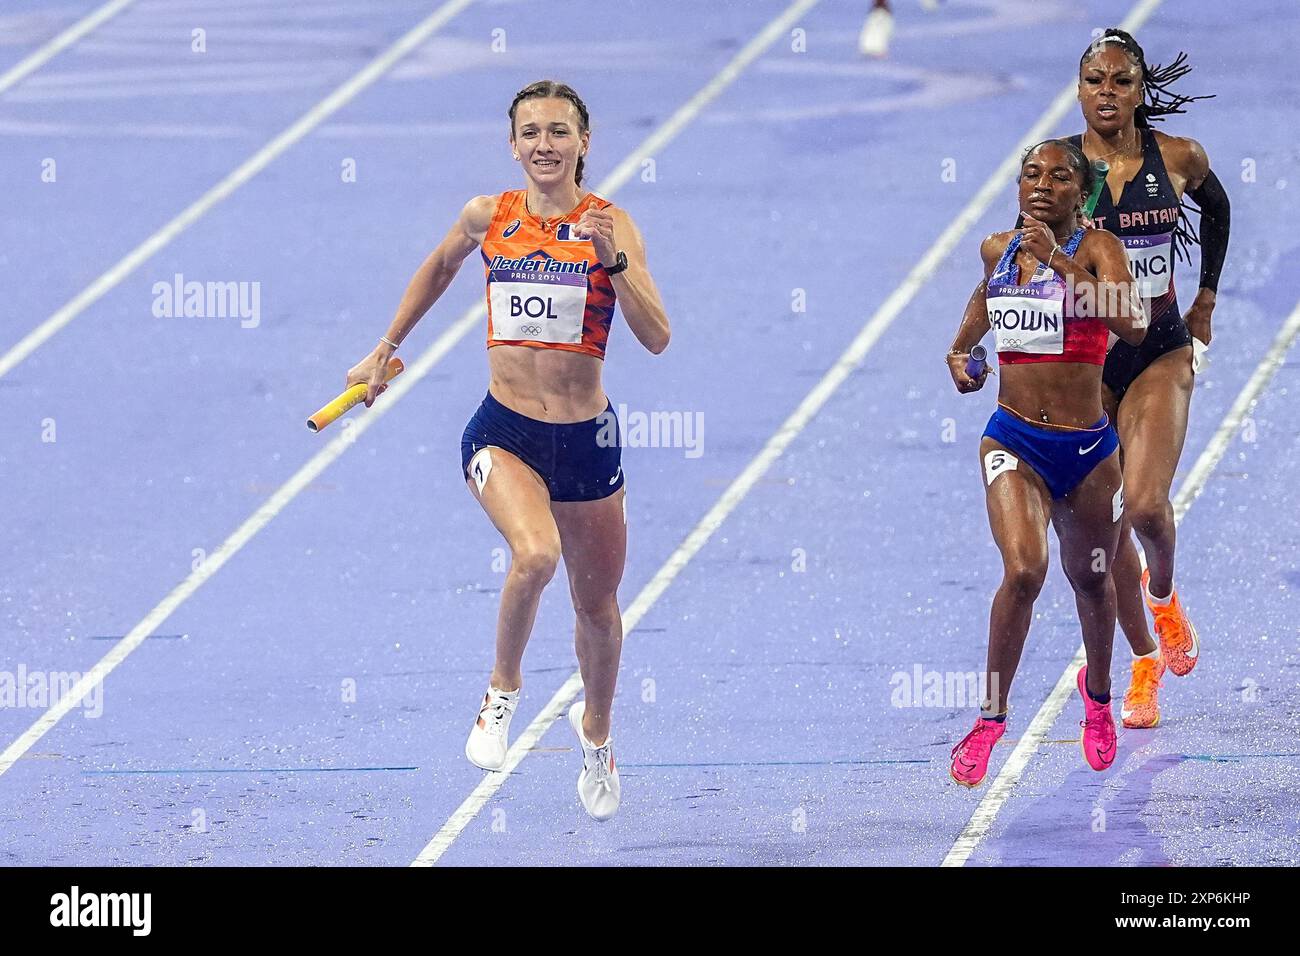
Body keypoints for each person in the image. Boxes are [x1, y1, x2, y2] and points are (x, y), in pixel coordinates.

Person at [344, 80, 671, 820]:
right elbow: (439, 267)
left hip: (587, 441)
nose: (544, 145)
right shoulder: (488, 215)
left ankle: (595, 737)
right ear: (513, 143)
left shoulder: (611, 223)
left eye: (559, 131)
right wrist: (384, 349)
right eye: (530, 132)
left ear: (584, 143)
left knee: (597, 608)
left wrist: (614, 264)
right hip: (505, 431)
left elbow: (656, 336)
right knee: (535, 556)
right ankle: (502, 692)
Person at [946, 140, 1147, 788]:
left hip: (1088, 453)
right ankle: (991, 718)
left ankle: (1096, 701)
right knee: (1025, 569)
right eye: (1031, 174)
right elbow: (985, 294)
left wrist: (1057, 261)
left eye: (1059, 177)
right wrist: (959, 349)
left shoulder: (1097, 250)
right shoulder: (996, 247)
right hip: (1014, 441)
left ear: (1080, 192)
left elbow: (1133, 323)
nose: (1041, 185)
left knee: (1092, 583)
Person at [1070, 29, 1230, 729]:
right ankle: (1141, 667)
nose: (1107, 93)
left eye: (1121, 82)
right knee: (1099, 545)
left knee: (1144, 508)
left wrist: (1206, 298)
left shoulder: (1179, 158)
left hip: (1160, 349)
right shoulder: (1059, 171)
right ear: (1079, 90)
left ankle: (1163, 599)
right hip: (1087, 366)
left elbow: (1218, 212)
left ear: (1141, 91)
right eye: (1094, 81)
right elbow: (1023, 260)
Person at [858, 0, 943, 58]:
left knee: (879, 22)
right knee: (879, 22)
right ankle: (874, 48)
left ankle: (873, 48)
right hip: (880, 13)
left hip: (880, 13)